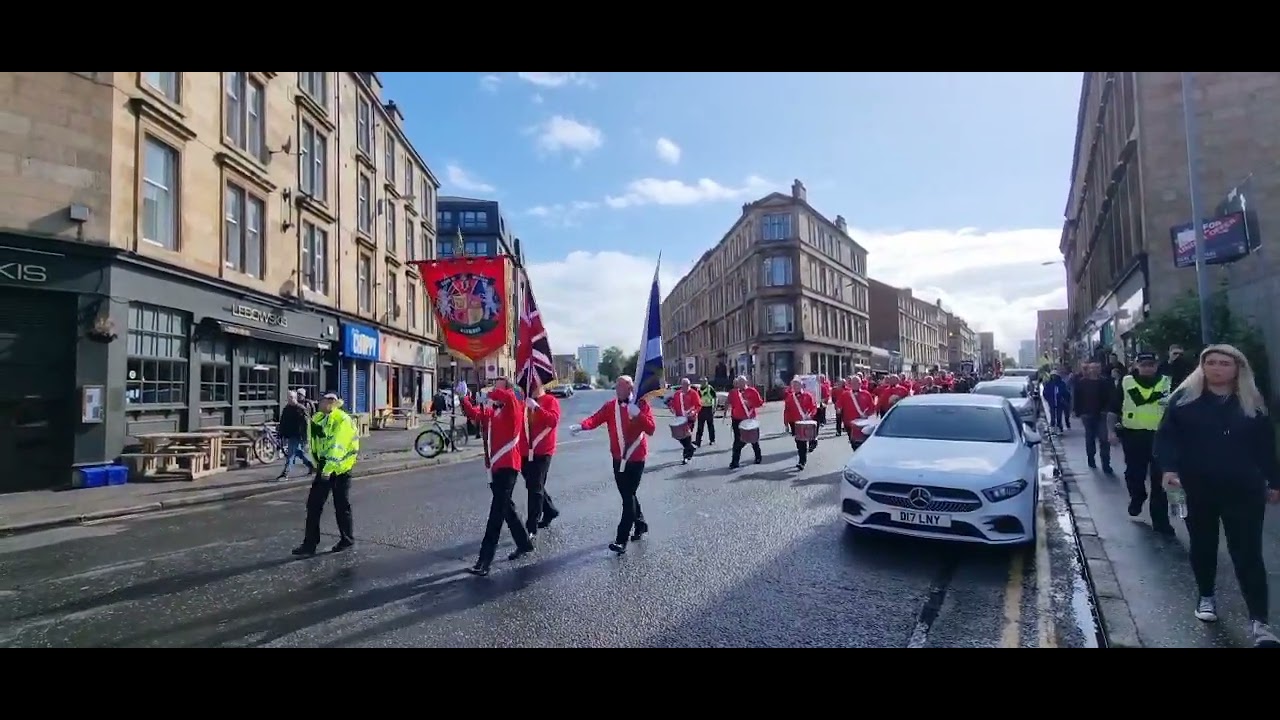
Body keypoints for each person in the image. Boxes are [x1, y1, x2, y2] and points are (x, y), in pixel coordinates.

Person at [1154, 344, 1280, 647]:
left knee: (1248, 553)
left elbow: (1266, 446)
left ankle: (1260, 622)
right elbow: (1166, 437)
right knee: (1204, 545)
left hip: (1243, 490)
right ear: (1202, 366)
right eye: (1211, 362)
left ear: (1237, 368)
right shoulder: (1183, 401)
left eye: (1225, 363)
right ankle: (1206, 596)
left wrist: (1274, 482)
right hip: (1198, 488)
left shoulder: (1252, 403)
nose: (1217, 368)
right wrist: (1169, 468)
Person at [570, 376, 656, 555]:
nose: (617, 389)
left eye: (620, 386)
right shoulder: (611, 406)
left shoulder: (641, 405)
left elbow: (651, 429)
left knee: (627, 498)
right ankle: (640, 523)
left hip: (636, 458)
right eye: (616, 386)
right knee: (629, 495)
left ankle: (621, 540)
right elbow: (596, 419)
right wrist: (582, 426)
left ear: (630, 388)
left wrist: (638, 414)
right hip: (618, 458)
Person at [458, 378, 535, 576]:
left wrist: (488, 393)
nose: (494, 387)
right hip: (494, 467)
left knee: (496, 514)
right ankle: (524, 543)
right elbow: (475, 414)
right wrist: (464, 398)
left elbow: (507, 395)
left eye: (498, 384)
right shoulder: (493, 412)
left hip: (508, 466)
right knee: (506, 508)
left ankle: (485, 560)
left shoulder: (513, 407)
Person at [1114, 352, 1175, 535]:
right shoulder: (1126, 382)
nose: (1148, 368)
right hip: (1133, 436)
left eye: (1151, 364)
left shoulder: (1167, 382)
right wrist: (1112, 430)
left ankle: (1161, 521)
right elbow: (1114, 407)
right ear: (1137, 366)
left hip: (1161, 438)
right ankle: (1137, 497)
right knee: (1134, 474)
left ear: (1156, 365)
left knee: (1160, 481)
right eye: (1144, 364)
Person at [292, 392, 359, 556]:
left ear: (331, 402)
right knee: (313, 505)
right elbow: (315, 443)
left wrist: (326, 470)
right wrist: (316, 464)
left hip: (340, 468)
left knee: (341, 505)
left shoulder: (342, 420)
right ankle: (310, 544)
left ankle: (347, 539)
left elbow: (337, 447)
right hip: (325, 466)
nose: (318, 403)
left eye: (321, 400)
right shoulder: (318, 418)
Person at [522, 382, 561, 535]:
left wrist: (536, 408)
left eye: (534, 385)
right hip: (525, 451)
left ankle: (531, 525)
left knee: (535, 488)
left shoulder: (550, 401)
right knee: (533, 484)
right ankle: (550, 510)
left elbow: (553, 421)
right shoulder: (524, 401)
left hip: (543, 450)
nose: (531, 388)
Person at [1072, 362, 1114, 474]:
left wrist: (1108, 410)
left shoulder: (1105, 382)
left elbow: (1111, 397)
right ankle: (1091, 458)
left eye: (1097, 368)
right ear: (1088, 370)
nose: (1094, 370)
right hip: (1087, 414)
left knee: (1104, 440)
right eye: (1092, 368)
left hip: (1102, 414)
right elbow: (1077, 398)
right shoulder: (1081, 383)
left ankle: (1106, 464)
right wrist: (1078, 411)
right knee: (1090, 438)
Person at [276, 390, 315, 480]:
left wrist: (306, 439)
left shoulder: (301, 409)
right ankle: (311, 465)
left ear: (295, 398)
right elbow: (283, 422)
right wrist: (281, 433)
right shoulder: (287, 409)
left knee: (291, 454)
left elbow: (306, 424)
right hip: (290, 434)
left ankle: (285, 473)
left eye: (292, 397)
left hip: (298, 435)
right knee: (298, 452)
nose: (290, 399)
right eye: (289, 397)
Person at [727, 375, 763, 469]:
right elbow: (729, 402)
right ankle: (735, 462)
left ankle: (758, 457)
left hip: (749, 418)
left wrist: (750, 404)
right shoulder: (734, 392)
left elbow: (760, 403)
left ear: (746, 382)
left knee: (754, 439)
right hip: (737, 419)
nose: (741, 384)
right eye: (739, 382)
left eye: (743, 382)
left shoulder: (752, 391)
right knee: (737, 441)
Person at [783, 378, 818, 470]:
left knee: (808, 438)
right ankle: (802, 461)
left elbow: (814, 407)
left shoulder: (808, 395)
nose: (795, 387)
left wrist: (810, 414)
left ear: (802, 386)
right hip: (795, 423)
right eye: (794, 386)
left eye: (797, 385)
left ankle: (813, 441)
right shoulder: (789, 398)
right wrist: (786, 424)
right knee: (800, 443)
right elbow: (786, 411)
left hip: (807, 421)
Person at [666, 378, 700, 464]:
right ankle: (690, 448)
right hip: (680, 419)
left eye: (687, 385)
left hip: (690, 419)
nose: (685, 387)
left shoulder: (693, 393)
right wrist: (671, 407)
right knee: (680, 437)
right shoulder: (678, 394)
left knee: (687, 436)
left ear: (689, 385)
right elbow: (672, 403)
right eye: (684, 385)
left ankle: (686, 456)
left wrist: (693, 412)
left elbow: (698, 405)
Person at [838, 376, 877, 451]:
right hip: (850, 424)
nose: (855, 384)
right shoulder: (845, 394)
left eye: (857, 383)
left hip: (863, 423)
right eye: (853, 383)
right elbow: (839, 405)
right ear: (850, 384)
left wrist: (867, 414)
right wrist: (838, 409)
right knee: (853, 443)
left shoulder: (866, 394)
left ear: (860, 384)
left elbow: (872, 407)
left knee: (863, 443)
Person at [694, 377, 717, 447]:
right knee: (700, 426)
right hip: (701, 409)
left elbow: (715, 397)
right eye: (701, 382)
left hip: (708, 408)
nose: (702, 383)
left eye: (704, 382)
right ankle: (698, 441)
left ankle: (712, 440)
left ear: (707, 382)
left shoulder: (710, 389)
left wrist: (714, 407)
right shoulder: (698, 389)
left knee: (710, 425)